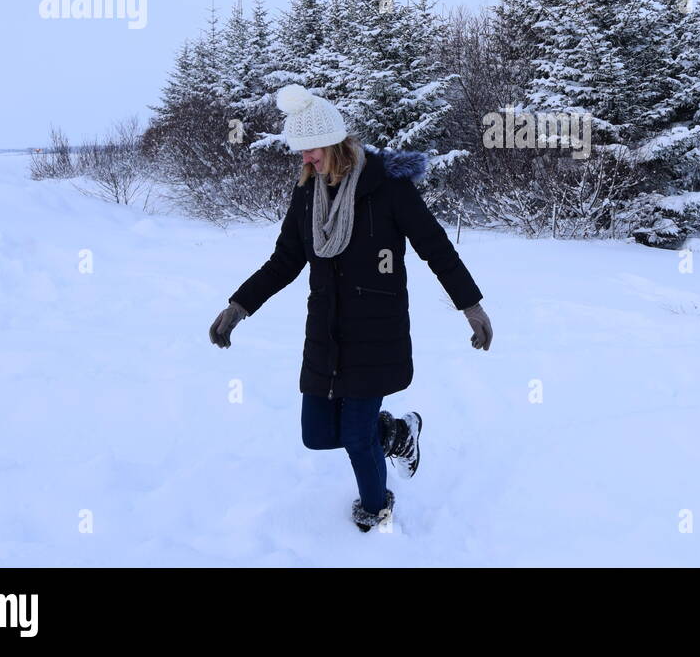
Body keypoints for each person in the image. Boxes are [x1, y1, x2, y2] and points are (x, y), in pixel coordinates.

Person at [208, 84, 493, 532]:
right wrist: (239, 305)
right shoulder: (307, 194)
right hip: (326, 333)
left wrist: (470, 305)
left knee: (357, 434)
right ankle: (398, 433)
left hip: (377, 332)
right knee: (317, 434)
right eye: (300, 152)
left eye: (311, 150)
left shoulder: (387, 186)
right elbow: (285, 260)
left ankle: (376, 510)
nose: (305, 159)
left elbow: (435, 247)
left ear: (335, 142)